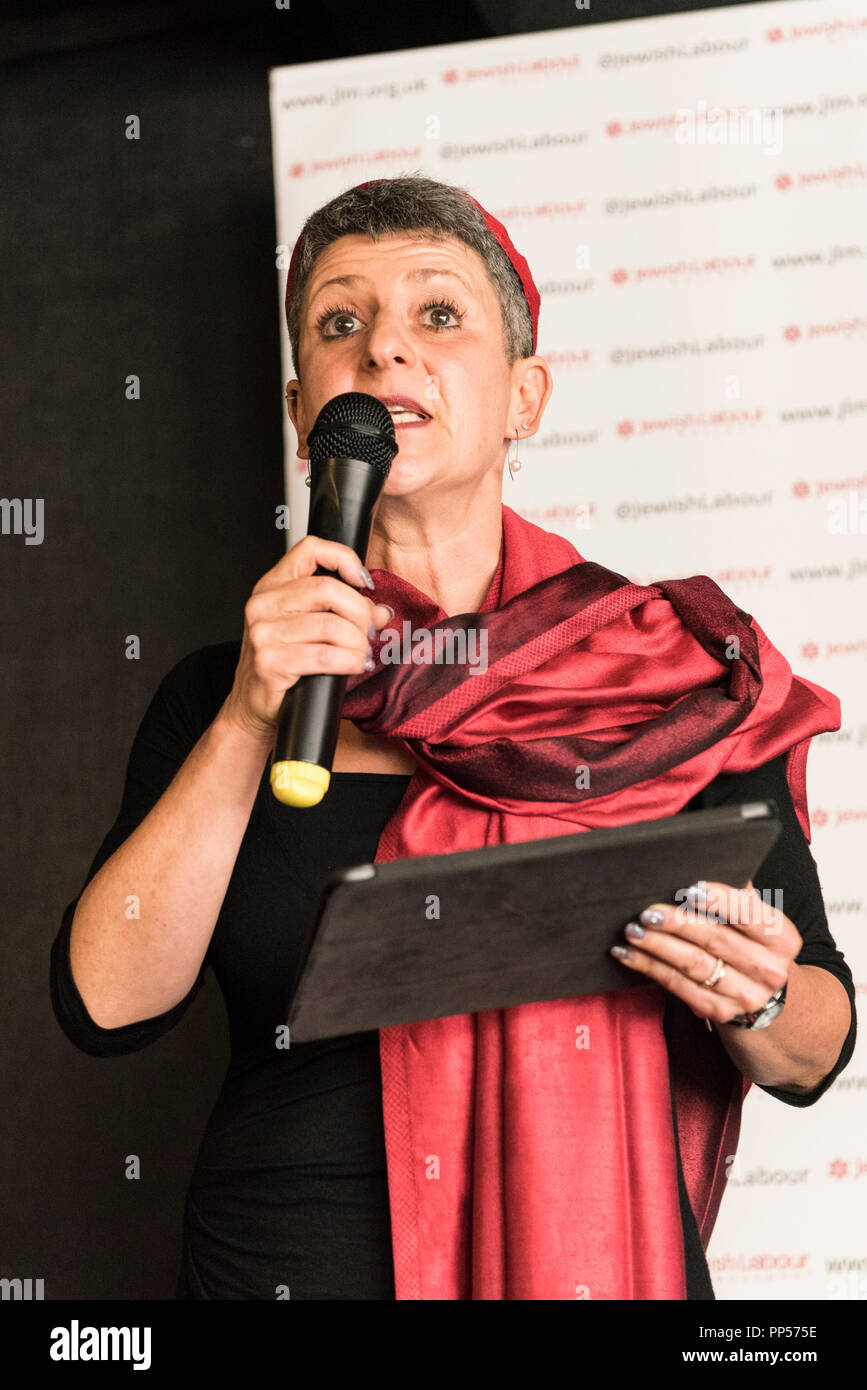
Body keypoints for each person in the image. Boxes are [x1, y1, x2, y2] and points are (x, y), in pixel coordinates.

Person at [51, 174, 856, 1301]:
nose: (386, 350)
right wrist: (251, 709)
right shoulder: (224, 693)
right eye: (342, 322)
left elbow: (815, 1049)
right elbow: (104, 1006)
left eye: (438, 314)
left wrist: (759, 994)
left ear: (526, 395)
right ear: (302, 414)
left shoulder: (664, 676)